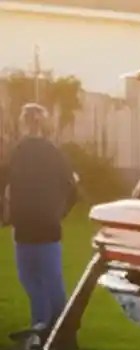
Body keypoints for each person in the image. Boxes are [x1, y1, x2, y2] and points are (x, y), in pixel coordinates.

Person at [1, 103, 77, 335]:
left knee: (32, 280)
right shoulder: (54, 153)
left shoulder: (17, 151)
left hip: (25, 225)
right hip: (46, 226)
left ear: (24, 123)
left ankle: (50, 328)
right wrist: (59, 212)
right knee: (48, 281)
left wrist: (6, 213)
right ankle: (51, 330)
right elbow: (72, 188)